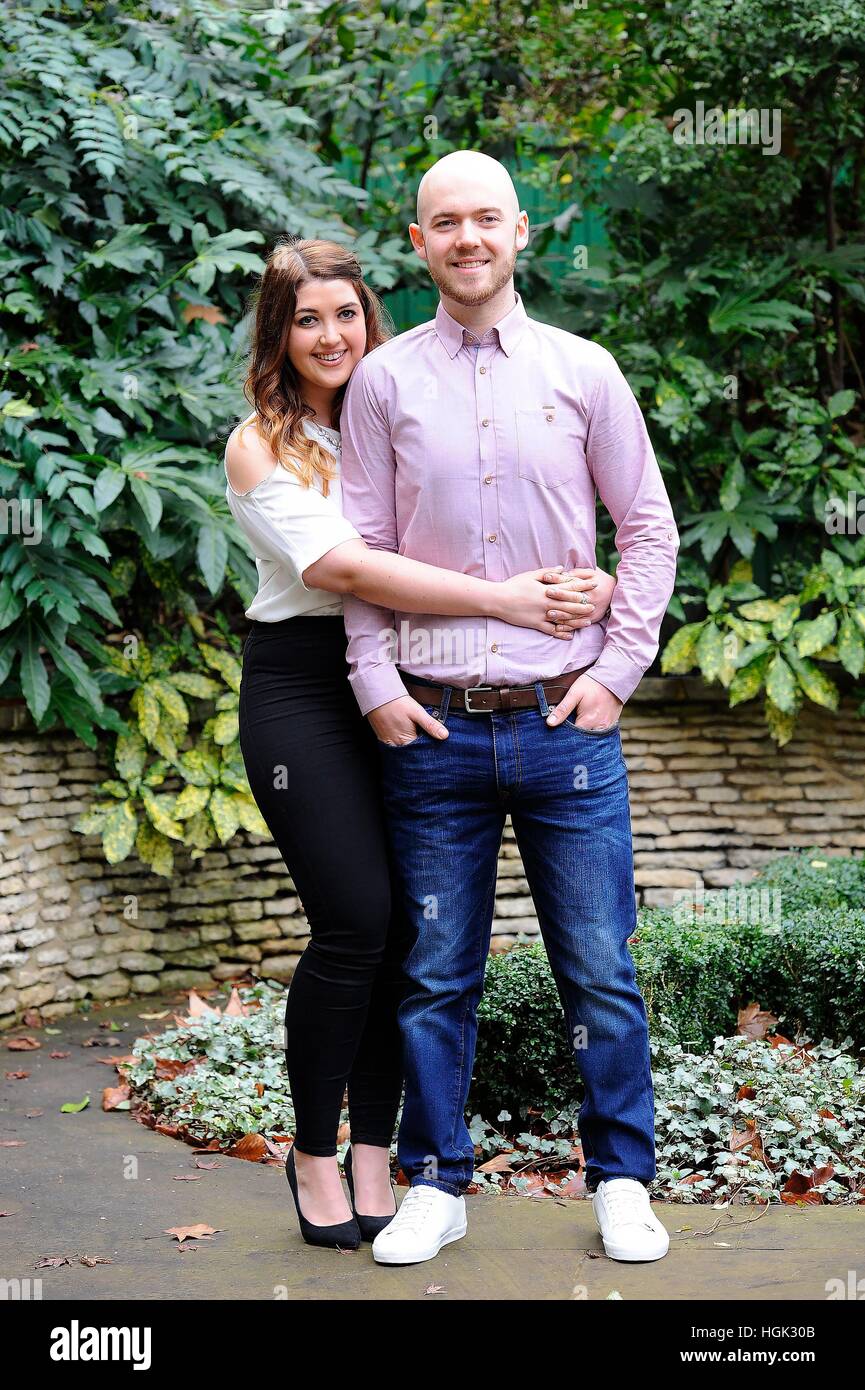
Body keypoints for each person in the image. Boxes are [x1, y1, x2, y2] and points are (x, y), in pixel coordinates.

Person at [225, 235, 616, 1251]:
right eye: (305, 319)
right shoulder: (261, 444)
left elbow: (501, 516)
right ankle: (315, 1148)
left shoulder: (404, 405)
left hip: (414, 681)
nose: (329, 334)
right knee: (355, 919)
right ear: (280, 335)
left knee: (411, 930)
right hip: (305, 691)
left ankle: (377, 1152)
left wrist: (592, 590)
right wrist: (505, 601)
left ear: (369, 319)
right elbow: (350, 569)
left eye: (345, 314)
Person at [338, 151, 680, 1266]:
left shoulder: (584, 370)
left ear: (520, 231)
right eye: (447, 222)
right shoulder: (384, 382)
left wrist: (615, 672)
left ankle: (621, 1179)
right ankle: (437, 1183)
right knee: (436, 969)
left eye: (487, 217)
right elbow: (361, 553)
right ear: (418, 241)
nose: (468, 237)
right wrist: (375, 683)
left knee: (599, 963)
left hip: (562, 728)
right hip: (432, 728)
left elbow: (647, 527)